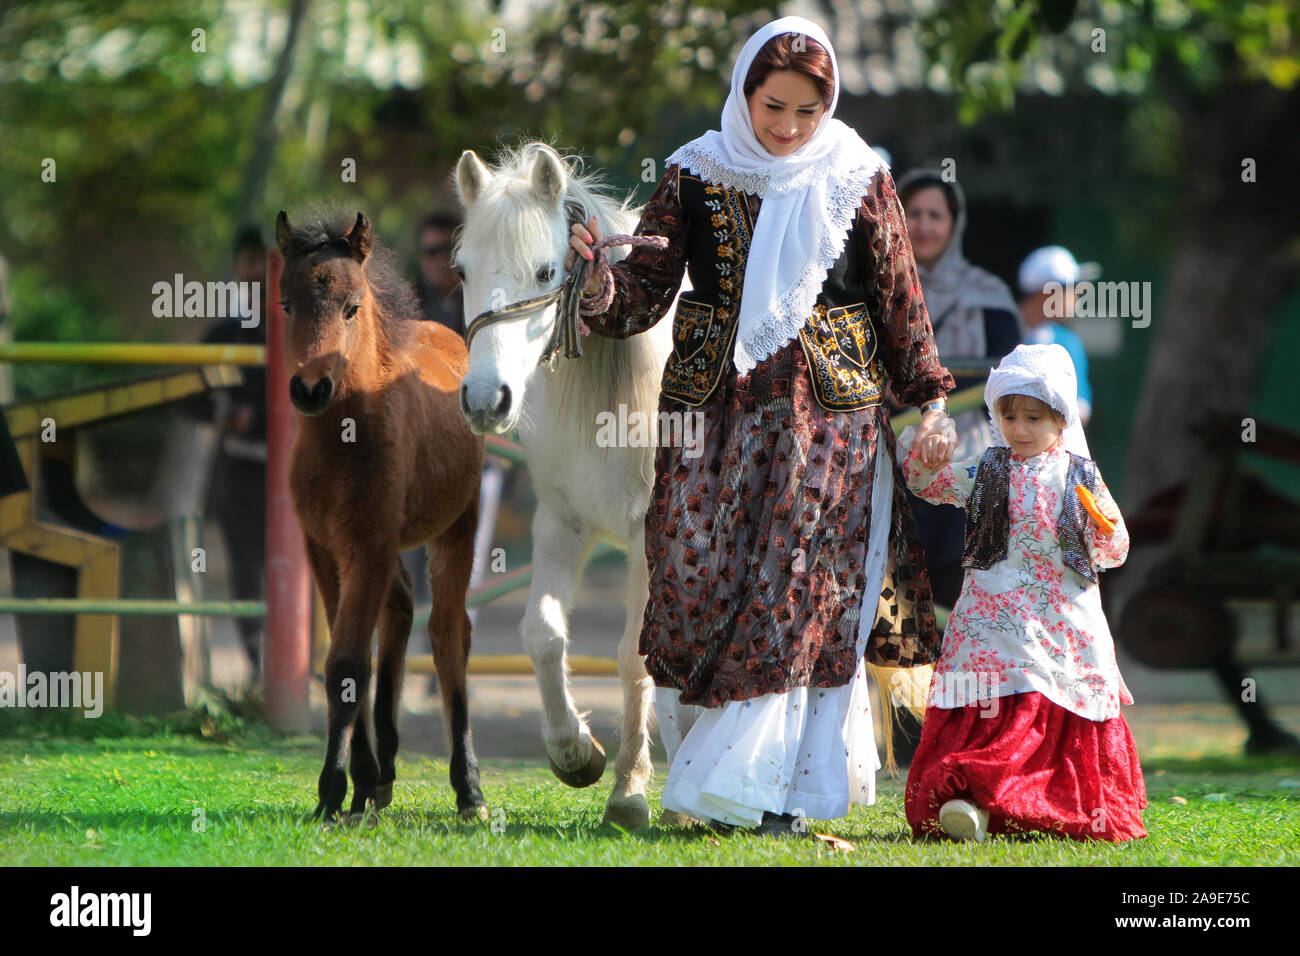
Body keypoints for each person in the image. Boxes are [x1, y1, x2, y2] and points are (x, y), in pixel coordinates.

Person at [570, 16, 956, 835]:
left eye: (804, 113)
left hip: (834, 421)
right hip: (712, 416)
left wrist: (930, 400)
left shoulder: (858, 175)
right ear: (743, 91)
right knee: (703, 577)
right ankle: (722, 781)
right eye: (771, 107)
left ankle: (770, 795)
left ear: (830, 106)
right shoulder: (694, 174)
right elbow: (643, 294)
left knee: (799, 593)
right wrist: (599, 283)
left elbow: (898, 298)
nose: (785, 128)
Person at [899, 343, 1146, 842]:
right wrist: (922, 451)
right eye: (1009, 416)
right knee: (993, 700)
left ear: (1061, 419)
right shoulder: (985, 469)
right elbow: (929, 484)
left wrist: (1103, 529)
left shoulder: (1082, 475)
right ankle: (973, 800)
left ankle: (1033, 805)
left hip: (1061, 617)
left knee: (1046, 693)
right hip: (992, 617)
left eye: (1033, 417)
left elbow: (1115, 545)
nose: (1019, 428)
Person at [896, 169, 1021, 609]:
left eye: (936, 215)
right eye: (913, 213)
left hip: (967, 454)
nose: (924, 226)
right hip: (885, 455)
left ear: (955, 223)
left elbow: (1011, 380)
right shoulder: (875, 289)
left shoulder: (988, 294)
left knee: (956, 586)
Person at [201, 226, 268, 681]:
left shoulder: (305, 325)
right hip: (240, 467)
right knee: (245, 566)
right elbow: (197, 396)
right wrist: (224, 414)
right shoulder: (224, 332)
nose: (255, 270)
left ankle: (312, 659)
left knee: (306, 566)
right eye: (247, 260)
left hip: (296, 471)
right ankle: (257, 661)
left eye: (262, 259)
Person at [1017, 245, 1096, 425]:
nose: (1076, 297)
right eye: (1070, 288)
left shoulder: (1068, 342)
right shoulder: (1001, 333)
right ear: (1048, 293)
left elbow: (1081, 407)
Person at [414, 211, 465, 336]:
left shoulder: (483, 300)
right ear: (421, 258)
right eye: (432, 251)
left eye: (449, 249)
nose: (441, 259)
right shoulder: (406, 305)